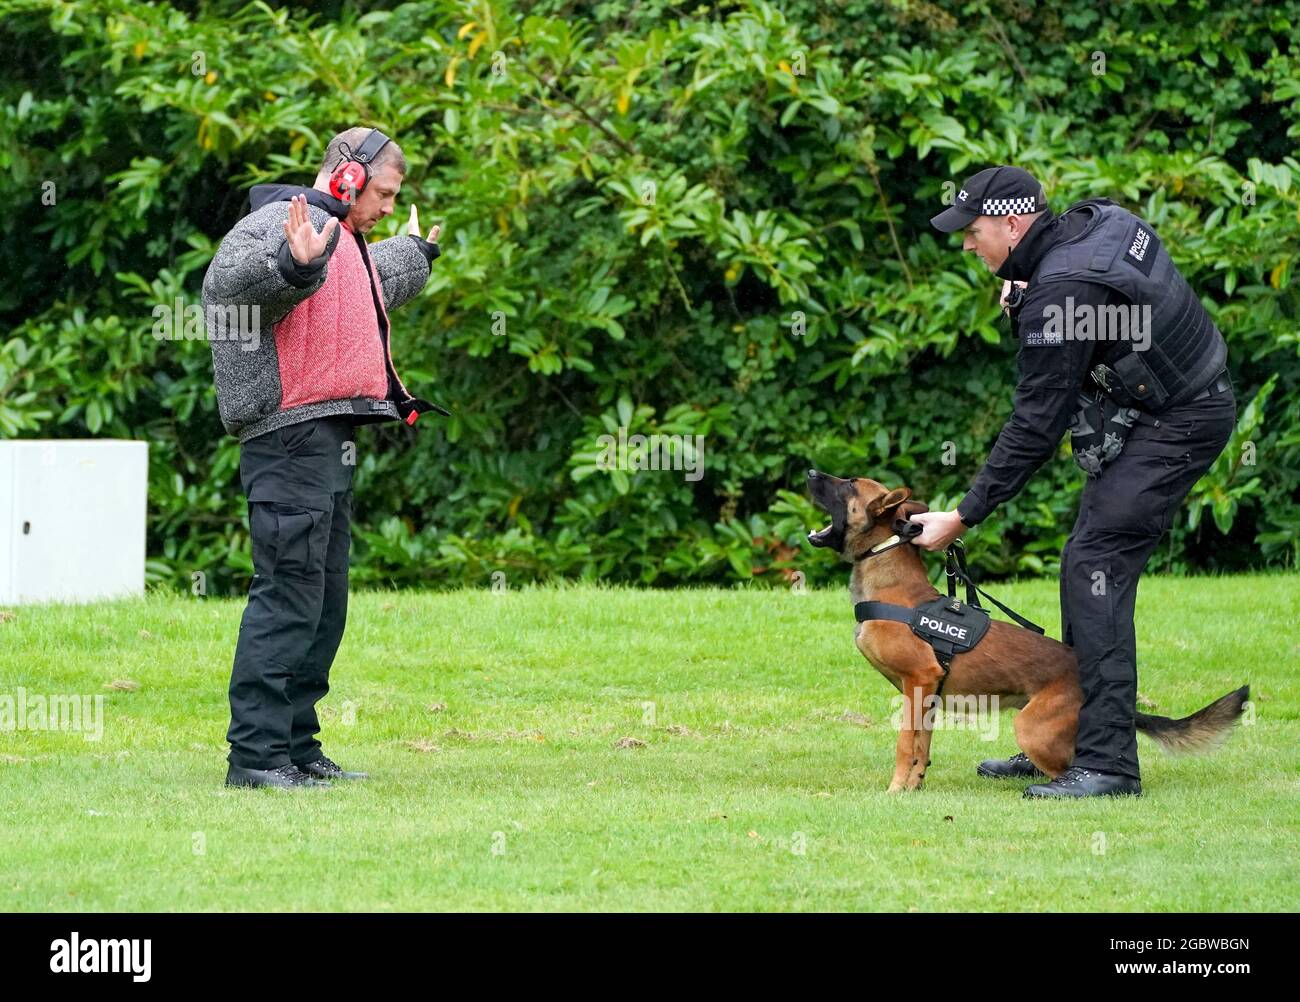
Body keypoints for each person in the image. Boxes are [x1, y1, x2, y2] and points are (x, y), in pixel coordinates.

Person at [911, 165, 1235, 798]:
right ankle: (1070, 743)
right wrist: (1032, 304)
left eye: (973, 232)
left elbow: (1037, 421)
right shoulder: (1093, 225)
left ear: (1011, 223)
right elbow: (1098, 325)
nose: (968, 246)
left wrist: (964, 516)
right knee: (1086, 562)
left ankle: (1108, 766)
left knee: (1097, 563)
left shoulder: (1061, 288)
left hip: (1181, 420)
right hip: (1169, 404)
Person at [202, 126, 446, 788]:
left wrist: (417, 253)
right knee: (287, 598)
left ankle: (297, 748)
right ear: (346, 175)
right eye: (386, 193)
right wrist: (294, 263)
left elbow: (359, 295)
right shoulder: (276, 225)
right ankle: (254, 759)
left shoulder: (348, 240)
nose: (389, 206)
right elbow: (232, 285)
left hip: (331, 439)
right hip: (285, 439)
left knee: (322, 604)